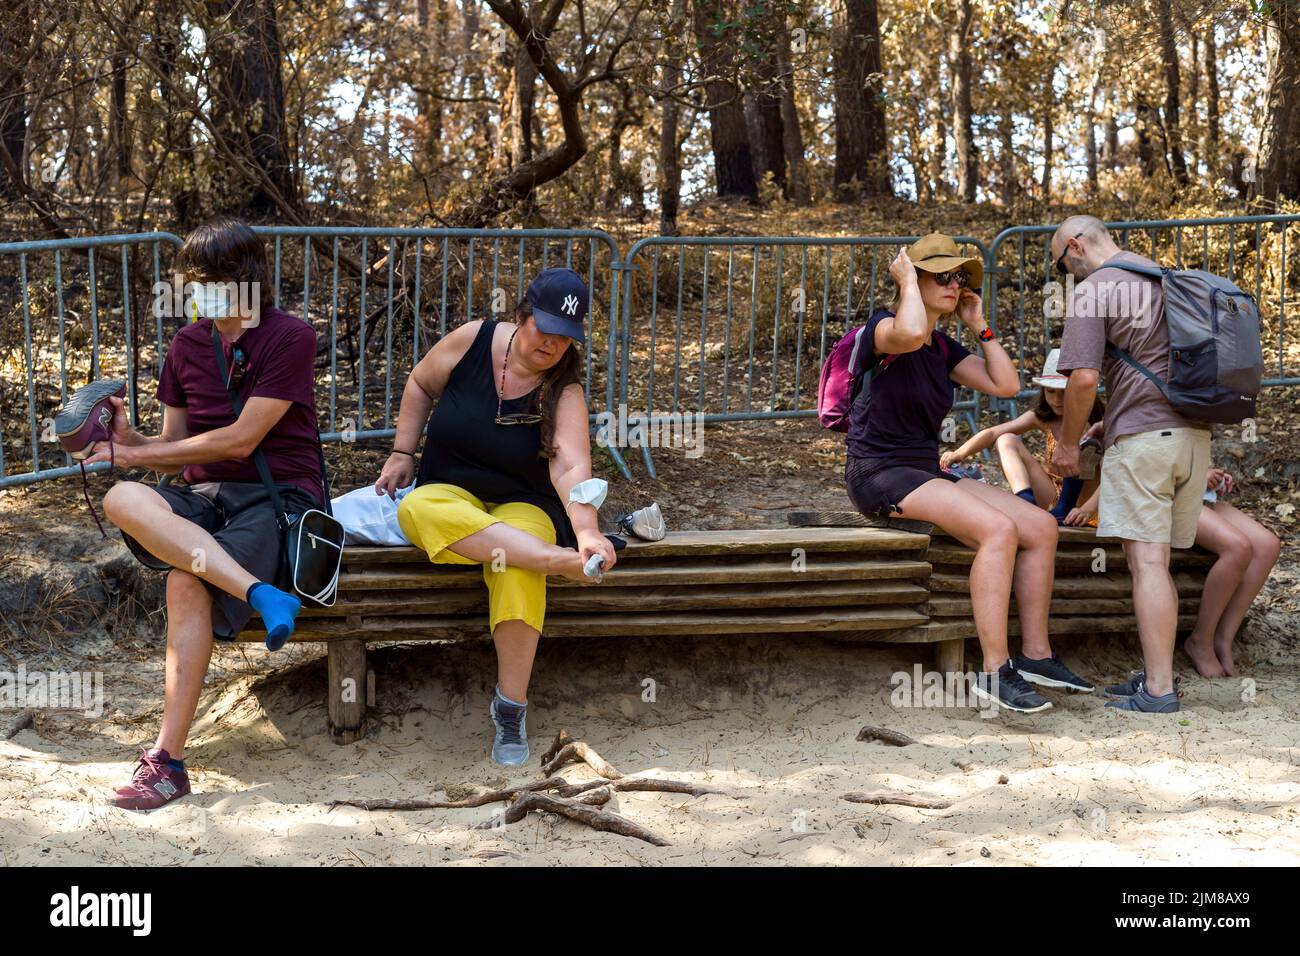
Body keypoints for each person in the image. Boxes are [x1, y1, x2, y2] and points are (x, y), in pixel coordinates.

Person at [87, 216, 325, 809]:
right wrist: (130, 440)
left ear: (247, 279)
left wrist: (136, 451)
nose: (203, 290)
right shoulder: (188, 344)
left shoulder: (290, 336)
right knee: (121, 495)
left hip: (280, 497)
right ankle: (261, 594)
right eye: (196, 279)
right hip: (205, 499)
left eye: (216, 278)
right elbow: (173, 452)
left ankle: (165, 761)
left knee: (185, 582)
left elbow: (241, 441)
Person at [374, 268, 616, 765]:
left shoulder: (564, 390)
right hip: (449, 495)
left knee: (517, 566)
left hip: (521, 505)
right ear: (521, 315)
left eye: (564, 338)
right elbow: (420, 383)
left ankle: (511, 709)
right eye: (542, 328)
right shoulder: (472, 339)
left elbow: (571, 465)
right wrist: (403, 451)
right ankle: (555, 560)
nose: (551, 344)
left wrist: (587, 531)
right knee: (419, 508)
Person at [843, 233, 1093, 713]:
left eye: (958, 277)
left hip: (924, 471)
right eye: (941, 275)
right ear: (911, 278)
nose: (955, 285)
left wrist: (978, 325)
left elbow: (1007, 384)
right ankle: (994, 671)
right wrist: (908, 287)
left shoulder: (941, 347)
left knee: (1040, 526)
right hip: (878, 473)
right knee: (998, 529)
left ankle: (1037, 655)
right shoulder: (883, 329)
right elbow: (910, 333)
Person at [1050, 214, 1212, 713]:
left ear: (1075, 246)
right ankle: (1155, 673)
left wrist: (1069, 445)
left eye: (1062, 264)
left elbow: (1081, 382)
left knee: (1147, 565)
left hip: (1144, 441)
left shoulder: (1095, 289)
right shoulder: (1168, 277)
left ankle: (1160, 691)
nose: (1066, 275)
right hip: (1192, 437)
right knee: (1156, 564)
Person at [1066, 464, 1279, 678]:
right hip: (1165, 498)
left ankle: (1224, 637)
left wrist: (1215, 476)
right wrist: (1088, 507)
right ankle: (1201, 640)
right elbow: (1124, 460)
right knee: (1238, 548)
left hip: (1201, 498)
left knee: (1267, 546)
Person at [940, 348, 1104, 525]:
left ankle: (1069, 506)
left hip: (1089, 504)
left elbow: (1113, 474)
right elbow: (993, 432)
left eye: (1064, 392)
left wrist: (1087, 508)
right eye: (1050, 392)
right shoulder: (1043, 418)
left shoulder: (1099, 426)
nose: (1057, 399)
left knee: (1088, 447)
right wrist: (959, 453)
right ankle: (1025, 502)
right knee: (1006, 439)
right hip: (1052, 499)